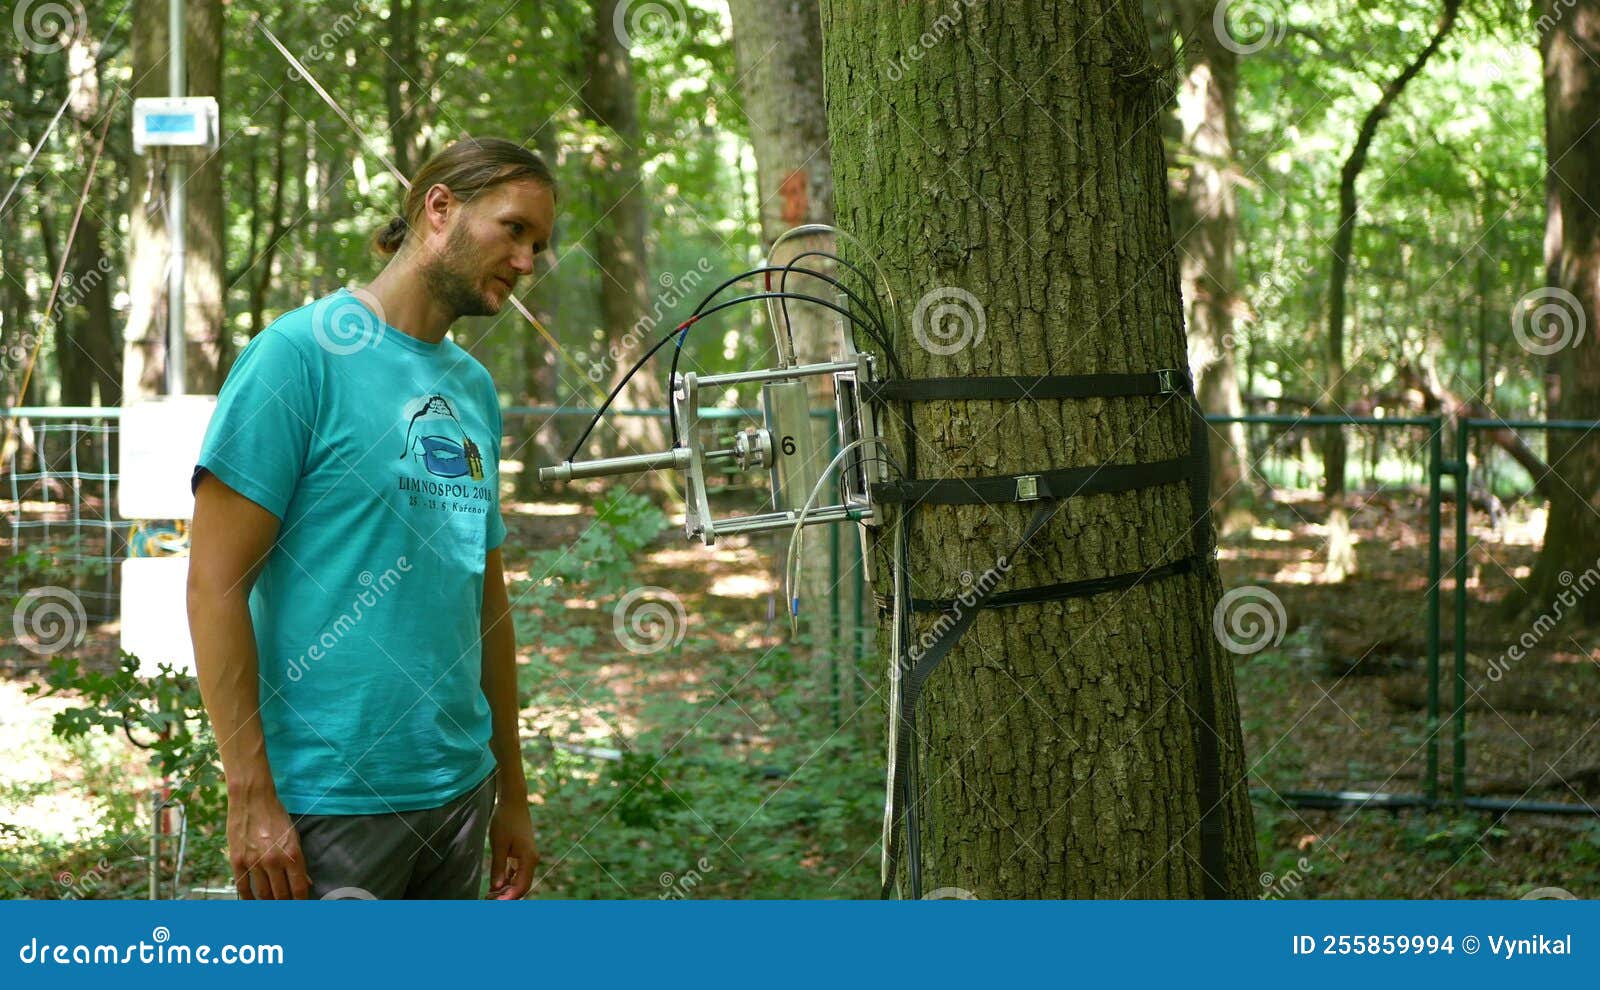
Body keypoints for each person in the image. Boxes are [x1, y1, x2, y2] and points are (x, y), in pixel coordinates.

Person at [186, 137, 556, 900]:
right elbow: (214, 586)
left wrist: (511, 794)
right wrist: (251, 793)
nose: (527, 262)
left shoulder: (474, 389)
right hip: (328, 803)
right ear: (440, 207)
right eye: (514, 229)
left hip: (458, 791)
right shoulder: (299, 355)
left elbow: (487, 605)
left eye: (539, 244)